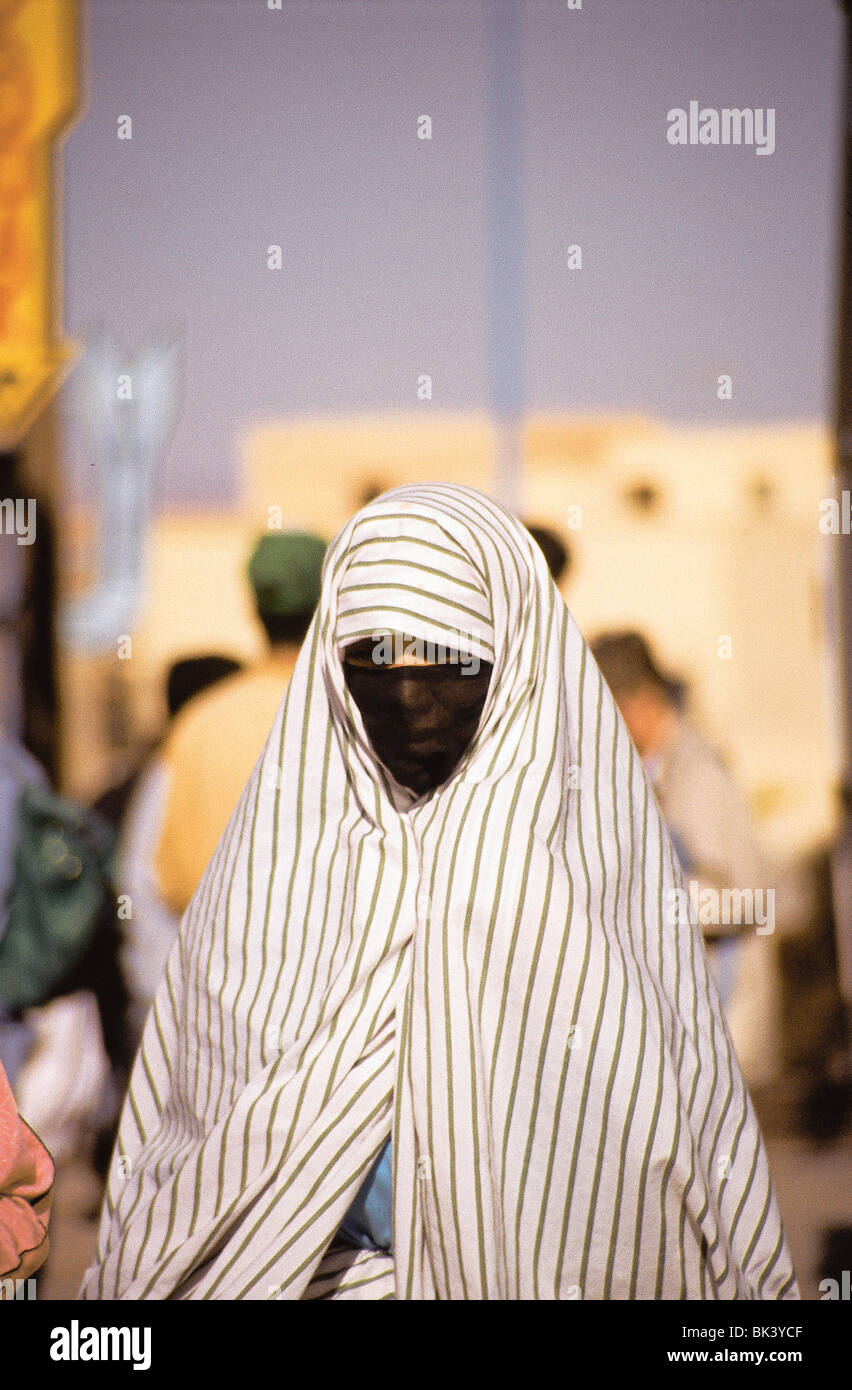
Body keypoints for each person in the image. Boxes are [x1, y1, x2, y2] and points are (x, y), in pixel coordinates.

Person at [81, 484, 796, 1301]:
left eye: (447, 659)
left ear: (513, 655)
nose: (410, 692)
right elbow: (191, 1155)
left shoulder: (590, 868)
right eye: (378, 658)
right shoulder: (266, 877)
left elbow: (681, 1130)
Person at [590, 631, 768, 1016]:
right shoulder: (652, 769)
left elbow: (743, 899)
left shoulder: (697, 772)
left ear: (632, 703)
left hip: (729, 1011)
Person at [153, 532, 326, 916]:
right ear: (329, 607)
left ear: (255, 610)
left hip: (214, 965)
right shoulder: (349, 717)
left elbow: (163, 880)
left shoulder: (199, 721)